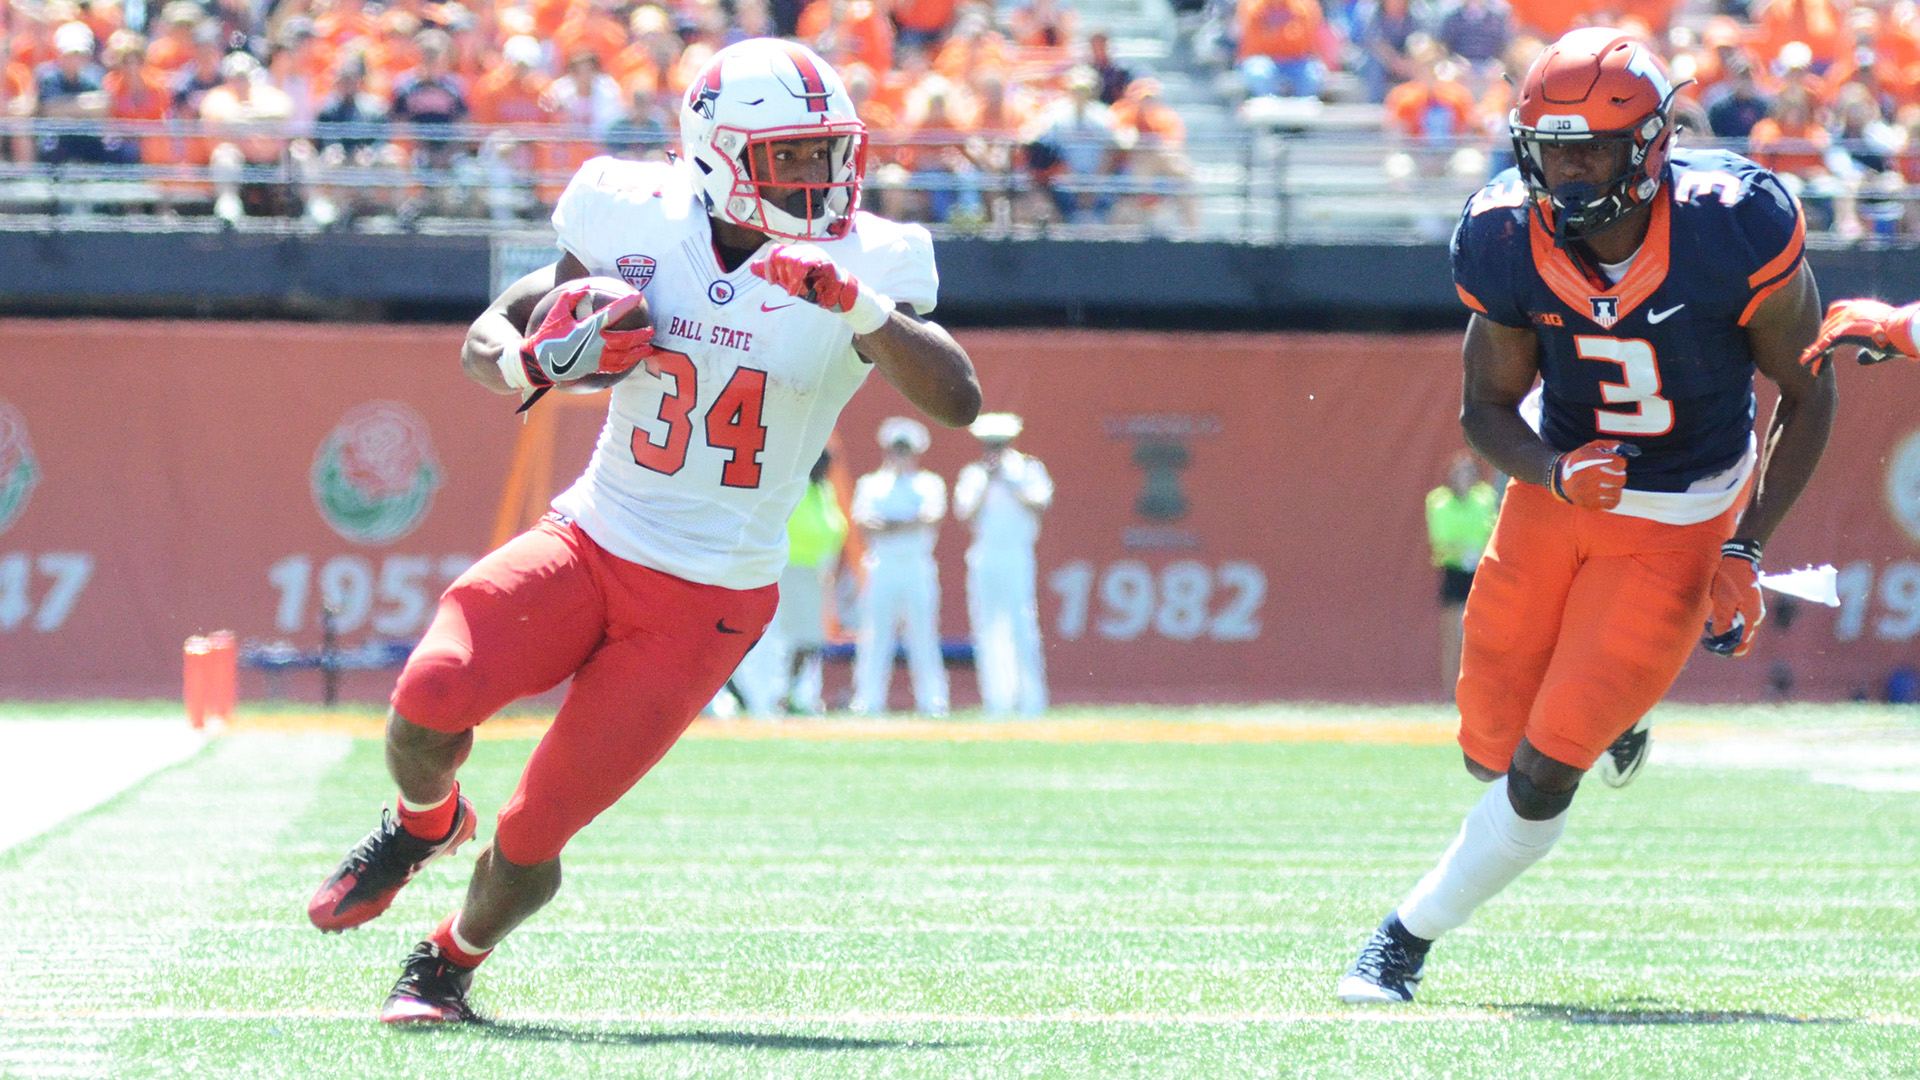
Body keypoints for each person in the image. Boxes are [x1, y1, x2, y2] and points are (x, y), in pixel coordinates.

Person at [306, 37, 980, 1024]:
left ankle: (448, 959)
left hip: (708, 597)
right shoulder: (632, 212)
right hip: (591, 536)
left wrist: (864, 310)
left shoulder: (869, 261)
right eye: (792, 157)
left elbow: (958, 399)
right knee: (427, 700)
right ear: (717, 154)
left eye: (832, 153)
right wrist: (529, 366)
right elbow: (492, 334)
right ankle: (425, 824)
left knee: (536, 833)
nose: (823, 178)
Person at [1338, 27, 1835, 1006]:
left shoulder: (1733, 223)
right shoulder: (1503, 233)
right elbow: (1484, 407)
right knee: (1485, 745)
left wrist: (1746, 541)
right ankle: (1611, 713)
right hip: (1555, 502)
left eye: (1591, 147)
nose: (1567, 168)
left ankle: (1402, 940)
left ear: (1649, 144)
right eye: (1551, 146)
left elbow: (1807, 394)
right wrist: (1558, 471)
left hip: (1680, 519)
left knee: (1540, 767)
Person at [733, 450, 849, 716]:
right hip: (784, 570)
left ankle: (790, 694)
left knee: (808, 640)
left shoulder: (823, 490)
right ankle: (758, 697)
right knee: (776, 639)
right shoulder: (791, 487)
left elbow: (833, 529)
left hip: (813, 572)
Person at [850, 416, 950, 716]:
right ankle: (867, 701)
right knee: (875, 634)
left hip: (916, 565)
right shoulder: (871, 484)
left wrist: (891, 523)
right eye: (896, 448)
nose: (900, 454)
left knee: (923, 634)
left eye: (905, 449)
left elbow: (931, 516)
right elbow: (864, 522)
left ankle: (933, 701)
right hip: (882, 565)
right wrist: (907, 521)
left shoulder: (928, 483)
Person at [953, 412, 1052, 716]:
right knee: (987, 629)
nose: (993, 451)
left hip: (1016, 555)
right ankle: (997, 701)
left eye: (999, 444)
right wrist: (987, 482)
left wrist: (1010, 482)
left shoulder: (1027, 469)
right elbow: (965, 514)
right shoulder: (974, 474)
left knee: (1022, 626)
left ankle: (1032, 701)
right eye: (988, 445)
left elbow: (1041, 503)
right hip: (985, 556)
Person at [1424, 451, 1496, 696]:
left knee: (1481, 635)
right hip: (1455, 570)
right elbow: (1440, 539)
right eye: (1458, 473)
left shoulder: (1486, 498)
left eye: (1468, 473)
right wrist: (1465, 551)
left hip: (1480, 571)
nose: (1463, 478)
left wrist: (1478, 552)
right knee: (1453, 634)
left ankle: (1477, 693)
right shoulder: (1439, 501)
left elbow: (1492, 531)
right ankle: (1449, 694)